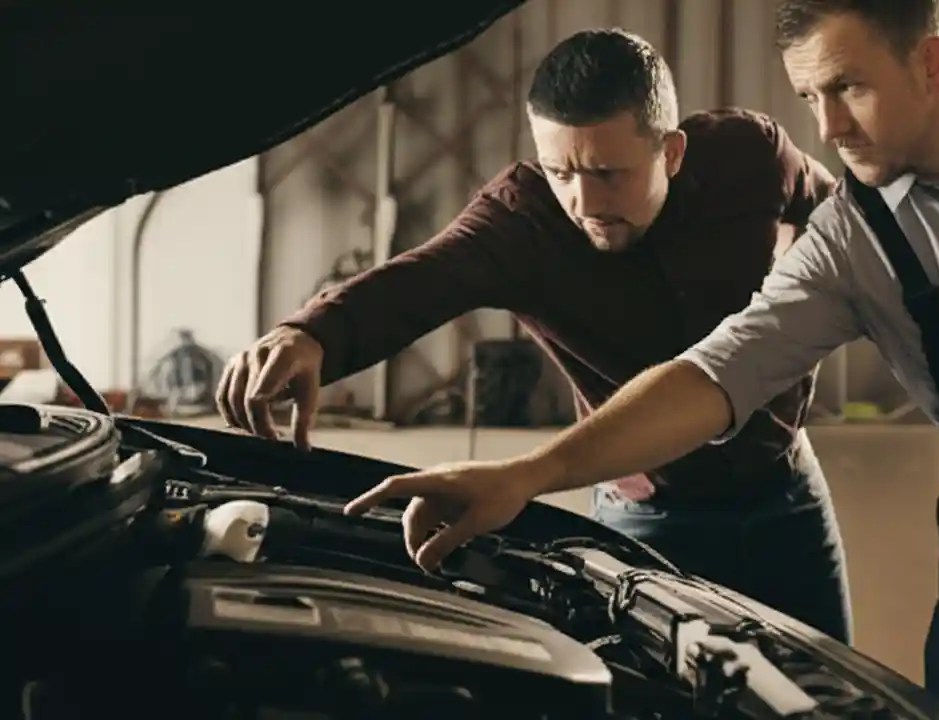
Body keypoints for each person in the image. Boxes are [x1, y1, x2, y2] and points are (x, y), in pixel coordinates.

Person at [342, 1, 939, 718]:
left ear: (933, 61)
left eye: (849, 87)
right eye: (810, 99)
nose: (828, 126)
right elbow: (714, 375)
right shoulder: (848, 240)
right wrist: (530, 474)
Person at [216, 28, 856, 643]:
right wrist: (310, 335)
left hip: (790, 499)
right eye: (561, 172)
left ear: (672, 152)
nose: (583, 201)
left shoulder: (749, 156)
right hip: (649, 523)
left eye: (608, 174)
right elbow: (413, 283)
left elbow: (843, 221)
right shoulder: (521, 225)